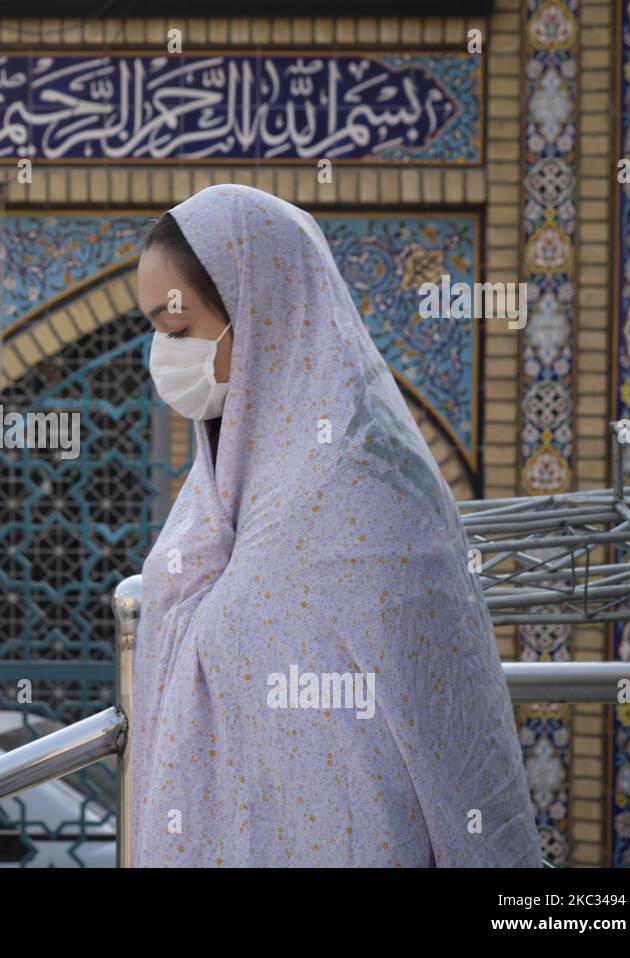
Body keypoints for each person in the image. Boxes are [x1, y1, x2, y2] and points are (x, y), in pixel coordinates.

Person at [131, 184, 542, 867]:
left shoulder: (367, 484)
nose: (163, 356)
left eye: (178, 330)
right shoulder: (235, 483)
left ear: (261, 310)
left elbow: (437, 710)